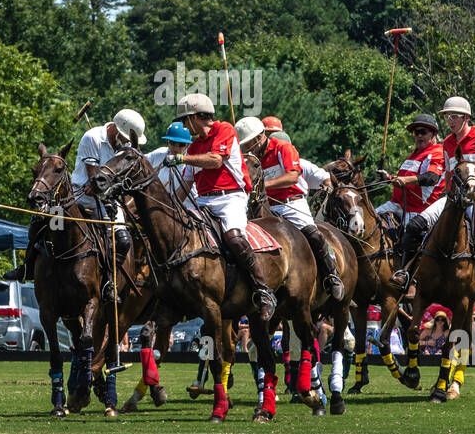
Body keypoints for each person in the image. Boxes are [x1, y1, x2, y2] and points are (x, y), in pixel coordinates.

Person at [6, 109, 147, 303]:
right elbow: (92, 178)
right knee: (45, 222)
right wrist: (97, 187)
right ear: (115, 129)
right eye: (123, 137)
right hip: (79, 196)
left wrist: (114, 193)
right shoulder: (92, 138)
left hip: (106, 200)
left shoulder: (124, 146)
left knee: (122, 241)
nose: (125, 142)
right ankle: (27, 267)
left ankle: (110, 284)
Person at [166, 94, 275, 321]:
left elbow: (216, 160)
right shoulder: (194, 146)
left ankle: (263, 291)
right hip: (204, 200)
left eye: (186, 121)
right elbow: (186, 185)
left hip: (231, 198)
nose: (186, 127)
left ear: (196, 117)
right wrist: (170, 208)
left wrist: (182, 159)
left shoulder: (224, 130)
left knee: (233, 237)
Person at [398, 98, 475, 301]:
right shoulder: (448, 143)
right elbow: (449, 174)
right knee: (415, 226)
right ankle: (407, 275)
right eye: (448, 117)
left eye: (454, 117)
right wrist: (444, 196)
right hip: (453, 197)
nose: (450, 121)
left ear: (466, 118)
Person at [236, 115, 344, 301]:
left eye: (248, 143)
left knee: (314, 235)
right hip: (265, 206)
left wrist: (263, 185)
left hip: (290, 204)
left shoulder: (282, 148)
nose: (246, 148)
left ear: (260, 137)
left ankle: (331, 275)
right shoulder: (250, 158)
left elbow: (292, 177)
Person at [372, 114, 444, 288]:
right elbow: (403, 179)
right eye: (415, 132)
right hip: (397, 204)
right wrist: (389, 177)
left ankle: (407, 276)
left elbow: (431, 178)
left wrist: (405, 180)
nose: (418, 135)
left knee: (408, 235)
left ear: (433, 134)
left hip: (419, 208)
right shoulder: (413, 155)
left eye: (422, 132)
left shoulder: (437, 153)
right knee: (370, 221)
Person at [145, 121, 197, 210]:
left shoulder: (192, 161)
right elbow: (140, 163)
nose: (176, 148)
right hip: (160, 208)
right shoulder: (159, 154)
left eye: (181, 145)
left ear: (188, 145)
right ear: (167, 142)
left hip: (189, 209)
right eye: (172, 143)